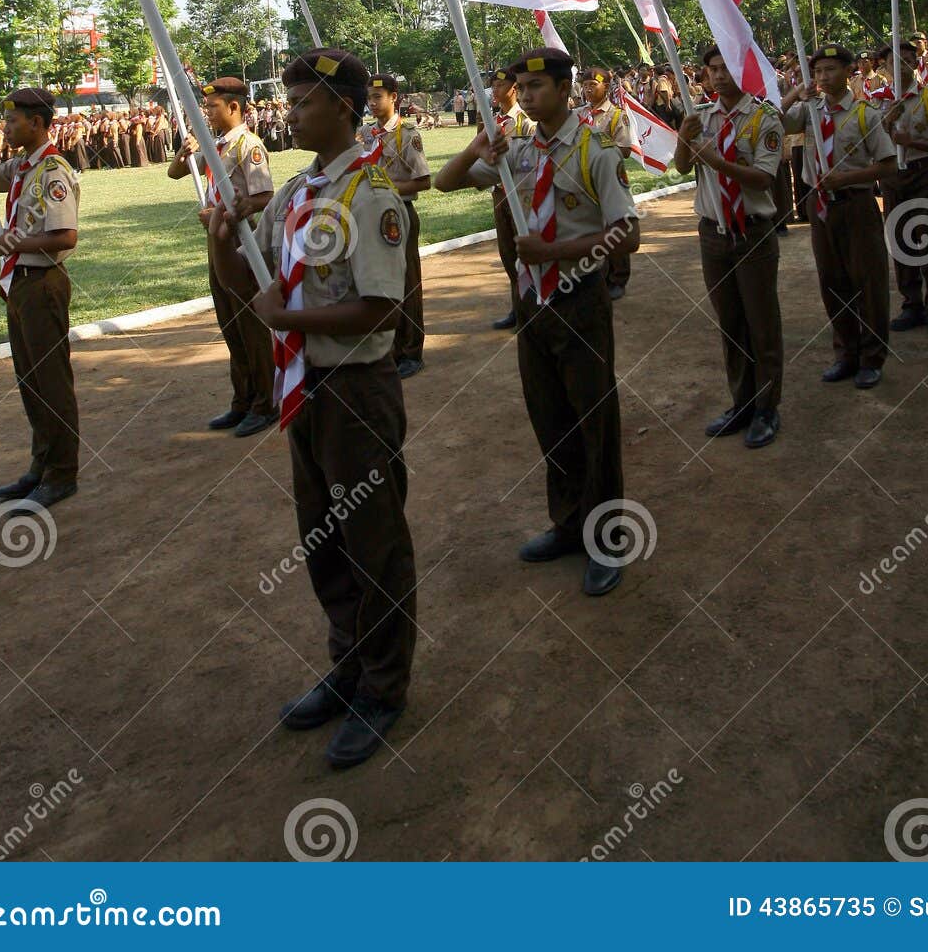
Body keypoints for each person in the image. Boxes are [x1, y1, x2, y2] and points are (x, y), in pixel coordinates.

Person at [208, 49, 415, 769]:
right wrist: (223, 232)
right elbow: (252, 281)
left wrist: (291, 323)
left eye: (301, 102)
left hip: (356, 391)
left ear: (343, 108)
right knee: (323, 541)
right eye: (289, 102)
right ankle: (350, 665)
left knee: (373, 541)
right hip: (306, 388)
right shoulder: (297, 193)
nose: (289, 113)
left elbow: (382, 309)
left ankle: (386, 687)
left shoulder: (371, 196)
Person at [435, 47, 640, 597]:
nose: (525, 96)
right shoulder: (517, 150)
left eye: (537, 88)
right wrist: (477, 147)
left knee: (593, 421)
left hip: (578, 298)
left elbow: (628, 234)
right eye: (520, 89)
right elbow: (444, 183)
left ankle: (607, 541)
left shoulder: (595, 150)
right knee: (549, 417)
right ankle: (568, 524)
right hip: (533, 303)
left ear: (564, 89)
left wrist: (556, 251)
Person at [0, 88, 81, 512]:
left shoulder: (52, 171)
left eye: (13, 121)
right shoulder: (21, 166)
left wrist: (16, 242)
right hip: (20, 283)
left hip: (42, 281)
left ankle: (62, 473)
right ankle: (41, 463)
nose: (6, 127)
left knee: (51, 382)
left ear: (38, 123)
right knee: (30, 381)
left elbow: (66, 237)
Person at [675, 47, 784, 448]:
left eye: (725, 68)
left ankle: (767, 408)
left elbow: (762, 179)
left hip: (751, 232)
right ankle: (741, 402)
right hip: (713, 234)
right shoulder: (701, 117)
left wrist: (717, 161)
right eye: (712, 70)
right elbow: (682, 167)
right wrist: (686, 141)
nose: (718, 76)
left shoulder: (763, 118)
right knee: (731, 323)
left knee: (761, 322)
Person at [782, 44, 897, 389]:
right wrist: (793, 95)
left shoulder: (865, 114)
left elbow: (888, 165)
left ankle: (872, 356)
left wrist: (846, 178)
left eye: (829, 70)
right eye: (817, 71)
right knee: (832, 282)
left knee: (868, 281)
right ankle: (845, 352)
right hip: (821, 208)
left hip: (856, 204)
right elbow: (773, 122)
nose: (822, 77)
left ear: (848, 71)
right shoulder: (809, 111)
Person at [168, 77, 276, 436]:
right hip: (218, 242)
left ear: (234, 107)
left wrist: (228, 210)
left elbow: (265, 197)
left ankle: (265, 402)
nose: (207, 113)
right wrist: (184, 152)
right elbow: (175, 173)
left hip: (243, 243)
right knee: (230, 324)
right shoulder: (214, 145)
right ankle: (241, 400)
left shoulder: (248, 145)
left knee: (250, 326)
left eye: (213, 107)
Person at [878, 41, 928, 339]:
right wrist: (886, 123)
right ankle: (912, 305)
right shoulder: (876, 102)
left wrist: (912, 142)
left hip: (924, 174)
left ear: (916, 64)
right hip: (894, 178)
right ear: (884, 68)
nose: (902, 66)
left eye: (908, 60)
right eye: (894, 61)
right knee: (900, 239)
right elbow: (867, 146)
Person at [360, 74, 431, 380]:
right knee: (379, 282)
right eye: (370, 98)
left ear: (394, 98)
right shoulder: (365, 134)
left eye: (379, 97)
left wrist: (385, 188)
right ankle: (388, 348)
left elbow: (423, 180)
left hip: (399, 213)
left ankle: (411, 350)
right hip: (372, 216)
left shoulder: (406, 134)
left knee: (406, 282)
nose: (373, 103)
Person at [486, 66, 535, 330]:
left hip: (521, 196)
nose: (495, 90)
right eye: (493, 86)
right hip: (499, 194)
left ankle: (530, 311)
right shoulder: (494, 120)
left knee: (524, 255)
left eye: (500, 86)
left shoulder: (525, 122)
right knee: (507, 254)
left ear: (514, 89)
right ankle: (518, 308)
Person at [579, 67, 634, 298]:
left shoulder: (615, 115)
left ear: (607, 87)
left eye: (593, 85)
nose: (588, 89)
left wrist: (599, 154)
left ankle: (618, 278)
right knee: (592, 227)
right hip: (584, 180)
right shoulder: (579, 114)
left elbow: (626, 148)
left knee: (615, 227)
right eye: (585, 85)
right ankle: (597, 275)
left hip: (610, 178)